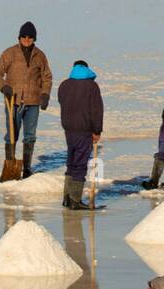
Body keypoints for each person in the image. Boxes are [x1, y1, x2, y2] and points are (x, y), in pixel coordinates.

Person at [0, 22, 52, 180]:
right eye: (24, 36)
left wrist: (45, 95)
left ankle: (27, 168)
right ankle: (10, 164)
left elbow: (47, 77)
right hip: (13, 101)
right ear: (19, 37)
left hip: (33, 102)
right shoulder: (10, 53)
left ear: (34, 38)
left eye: (30, 37)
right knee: (12, 135)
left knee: (30, 136)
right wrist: (4, 87)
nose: (26, 39)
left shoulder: (40, 55)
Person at [56, 59, 103, 210]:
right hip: (84, 129)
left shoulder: (64, 85)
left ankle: (66, 198)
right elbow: (96, 110)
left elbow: (62, 103)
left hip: (69, 129)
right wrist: (97, 130)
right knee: (80, 163)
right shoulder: (92, 86)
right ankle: (75, 200)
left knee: (71, 161)